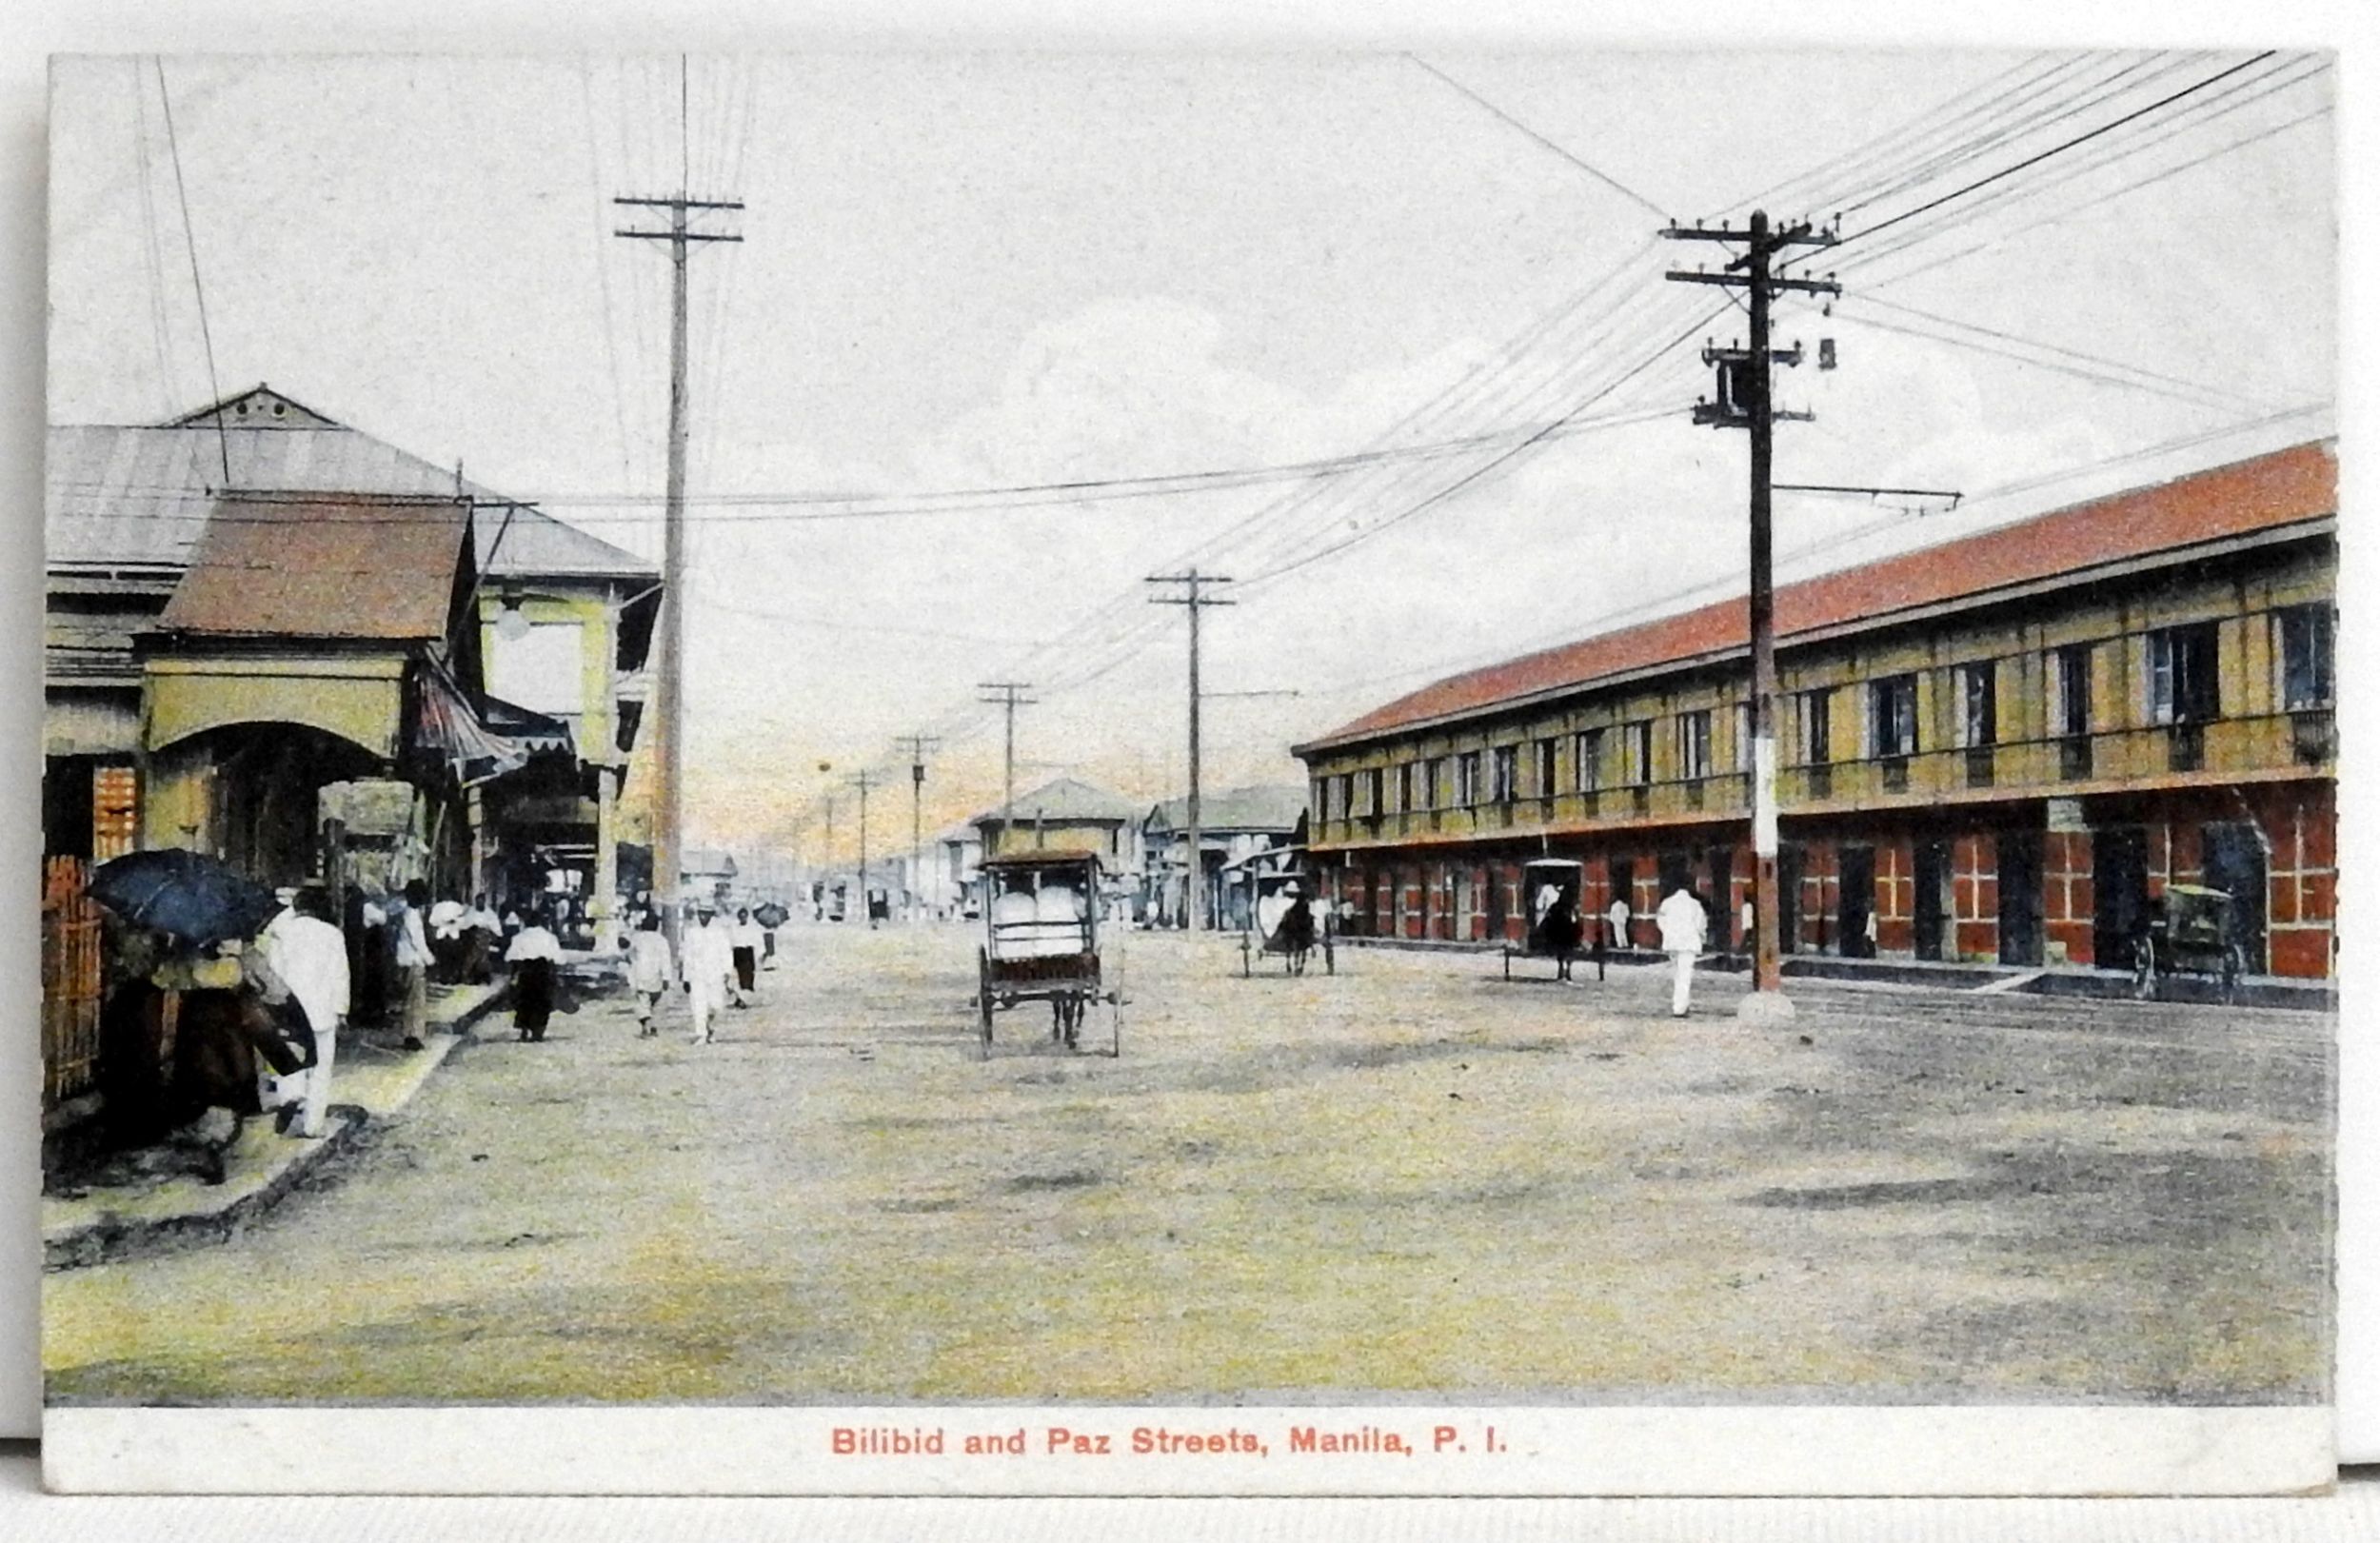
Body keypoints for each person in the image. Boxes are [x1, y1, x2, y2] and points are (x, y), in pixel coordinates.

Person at [254, 888, 351, 1138]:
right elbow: (340, 975)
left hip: (290, 1008)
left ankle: (290, 1095)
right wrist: (341, 1010)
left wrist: (273, 1007)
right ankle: (312, 1125)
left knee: (290, 1059)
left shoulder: (281, 933)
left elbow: (274, 972)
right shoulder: (332, 934)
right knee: (321, 1068)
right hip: (322, 1010)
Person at [681, 900, 738, 1044]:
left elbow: (726, 953)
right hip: (697, 975)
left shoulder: (719, 932)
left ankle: (709, 1027)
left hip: (715, 974)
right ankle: (701, 1034)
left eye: (706, 914)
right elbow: (687, 955)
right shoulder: (692, 932)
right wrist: (686, 977)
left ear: (711, 915)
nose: (703, 917)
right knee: (698, 1005)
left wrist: (727, 971)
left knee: (716, 1005)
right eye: (700, 914)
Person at [387, 880, 434, 1051]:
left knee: (408, 1001)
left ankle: (408, 1034)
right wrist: (430, 960)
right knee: (417, 1001)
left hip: (403, 960)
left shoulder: (405, 913)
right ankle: (413, 1036)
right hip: (414, 961)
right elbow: (418, 942)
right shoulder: (413, 916)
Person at [505, 907, 563, 1042]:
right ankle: (538, 1032)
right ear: (541, 922)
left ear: (526, 922)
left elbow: (510, 957)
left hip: (526, 972)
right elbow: (558, 959)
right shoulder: (549, 937)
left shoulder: (519, 938)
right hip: (543, 972)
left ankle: (524, 1029)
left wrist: (514, 973)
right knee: (542, 1002)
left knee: (525, 1001)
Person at [1656, 882, 1711, 1019]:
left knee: (1677, 973)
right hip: (1689, 943)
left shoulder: (1667, 903)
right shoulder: (1695, 905)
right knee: (1685, 975)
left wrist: (1667, 933)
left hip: (1672, 943)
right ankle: (1680, 1007)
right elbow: (1701, 924)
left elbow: (1660, 921)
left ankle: (1680, 1003)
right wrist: (1702, 937)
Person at [626, 912, 673, 1038]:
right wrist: (666, 977)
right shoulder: (661, 940)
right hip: (656, 976)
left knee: (643, 1003)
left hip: (641, 974)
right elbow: (666, 960)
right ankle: (653, 1026)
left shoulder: (637, 938)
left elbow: (629, 953)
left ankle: (646, 1025)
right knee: (655, 1004)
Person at [729, 907, 763, 1004]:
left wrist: (758, 954)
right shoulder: (734, 928)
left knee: (749, 974)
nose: (742, 919)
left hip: (748, 952)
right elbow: (732, 941)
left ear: (747, 917)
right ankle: (740, 998)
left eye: (744, 916)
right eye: (741, 917)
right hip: (738, 952)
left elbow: (757, 941)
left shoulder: (752, 928)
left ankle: (747, 997)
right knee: (739, 975)